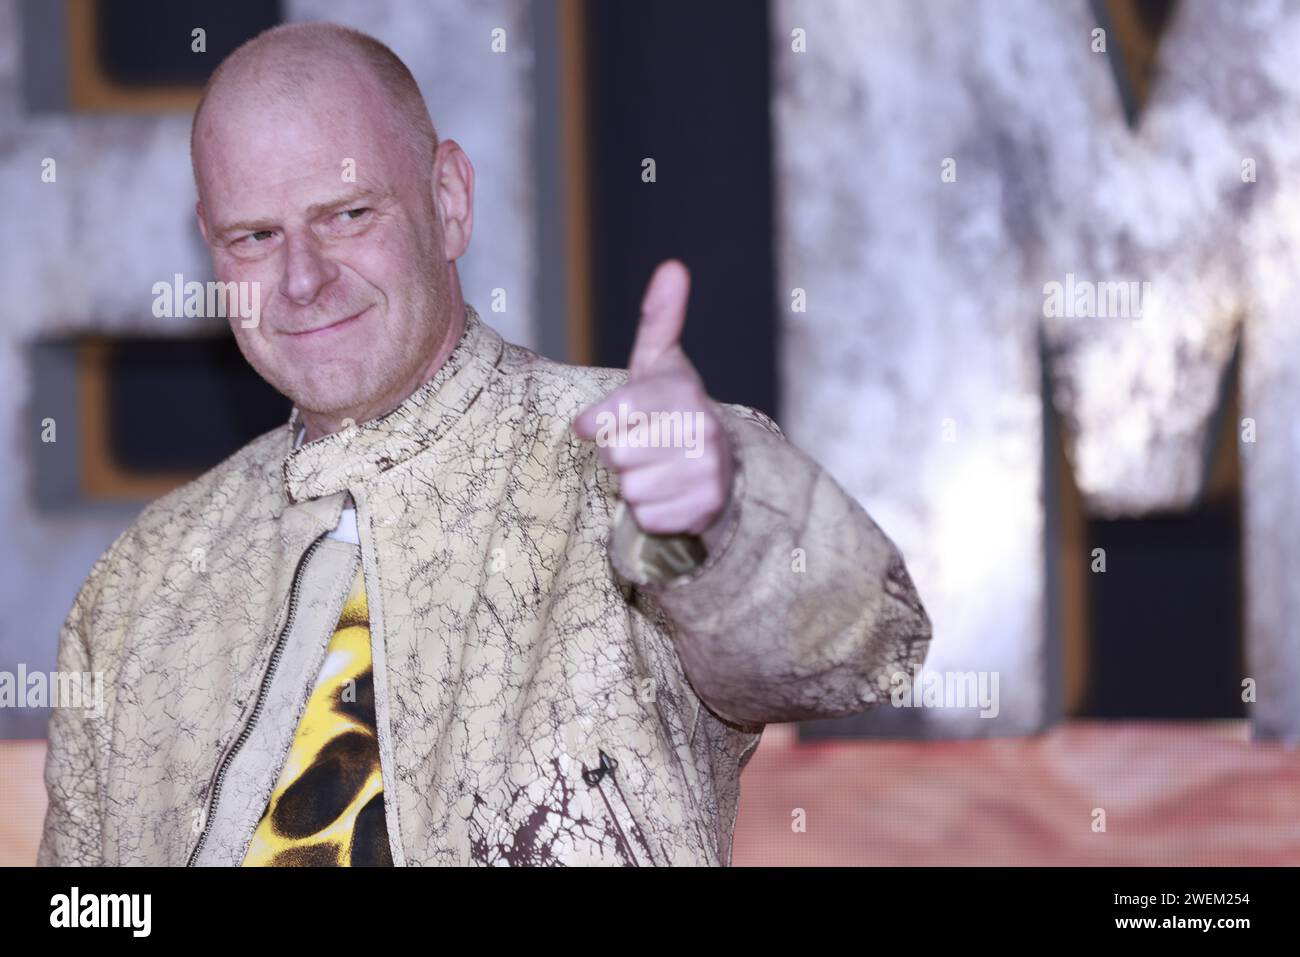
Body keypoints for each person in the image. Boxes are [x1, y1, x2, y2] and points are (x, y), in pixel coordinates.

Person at [37, 22, 931, 867]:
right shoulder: (142, 583)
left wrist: (718, 525)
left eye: (348, 214)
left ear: (449, 200)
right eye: (255, 237)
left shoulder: (631, 459)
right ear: (210, 250)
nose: (302, 279)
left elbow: (858, 648)